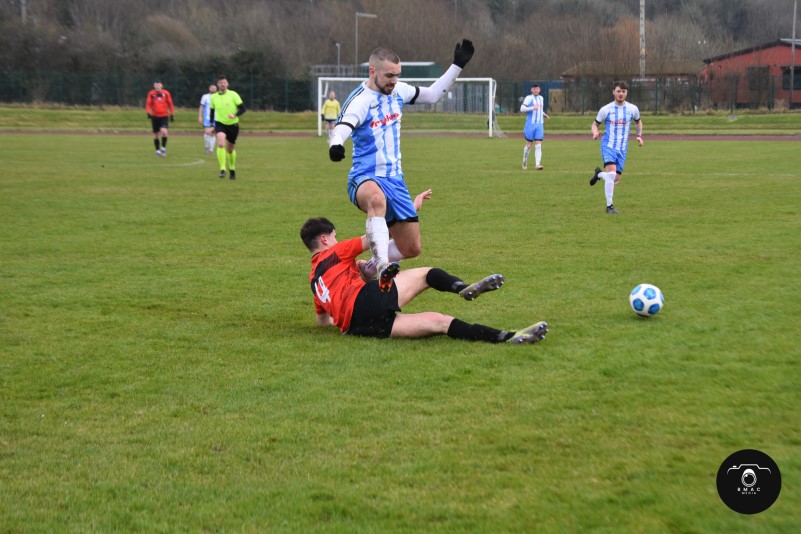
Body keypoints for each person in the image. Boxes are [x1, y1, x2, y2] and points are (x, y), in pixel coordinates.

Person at [328, 39, 475, 289]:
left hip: (395, 180)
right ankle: (384, 265)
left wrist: (457, 65)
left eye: (397, 75)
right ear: (372, 71)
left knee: (412, 247)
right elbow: (343, 126)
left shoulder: (398, 91)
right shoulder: (360, 100)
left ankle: (370, 267)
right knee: (376, 200)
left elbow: (432, 95)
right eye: (389, 75)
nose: (393, 80)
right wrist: (335, 144)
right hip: (365, 177)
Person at [300, 216, 548, 344]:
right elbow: (374, 235)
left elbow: (323, 322)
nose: (336, 238)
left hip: (358, 328)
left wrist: (345, 308)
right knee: (426, 273)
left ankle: (510, 337)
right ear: (325, 240)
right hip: (365, 302)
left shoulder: (314, 281)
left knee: (439, 322)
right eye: (334, 235)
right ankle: (462, 288)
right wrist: (408, 211)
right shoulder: (336, 251)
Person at [589, 81, 643, 214]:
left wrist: (639, 135)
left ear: (627, 93)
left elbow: (638, 122)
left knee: (615, 179)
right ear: (613, 92)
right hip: (608, 145)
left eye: (623, 91)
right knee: (612, 174)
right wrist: (595, 133)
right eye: (618, 91)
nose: (621, 94)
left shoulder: (633, 109)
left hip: (622, 148)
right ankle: (609, 206)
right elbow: (595, 124)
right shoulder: (606, 109)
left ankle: (599, 174)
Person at [210, 75, 245, 180]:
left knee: (230, 150)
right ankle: (222, 169)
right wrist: (212, 125)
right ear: (218, 84)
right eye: (220, 82)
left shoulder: (233, 94)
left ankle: (232, 168)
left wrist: (234, 115)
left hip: (233, 125)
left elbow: (243, 109)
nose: (222, 84)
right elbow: (212, 112)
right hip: (220, 124)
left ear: (227, 84)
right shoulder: (214, 97)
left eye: (224, 82)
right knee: (220, 143)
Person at [520, 83, 549, 170]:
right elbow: (522, 109)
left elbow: (539, 109)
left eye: (537, 89)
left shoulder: (541, 98)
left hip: (539, 125)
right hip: (530, 125)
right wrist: (532, 108)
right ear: (531, 90)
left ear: (539, 90)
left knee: (538, 145)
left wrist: (543, 114)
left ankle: (537, 164)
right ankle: (524, 160)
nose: (536, 90)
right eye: (534, 89)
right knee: (529, 145)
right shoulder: (529, 98)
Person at [145, 81, 174, 157]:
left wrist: (172, 114)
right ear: (154, 86)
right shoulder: (151, 93)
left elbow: (170, 104)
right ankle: (157, 150)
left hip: (164, 116)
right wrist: (148, 113)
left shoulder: (166, 93)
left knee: (164, 132)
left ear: (161, 86)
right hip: (155, 116)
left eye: (158, 85)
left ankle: (163, 149)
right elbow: (148, 103)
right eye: (155, 85)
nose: (157, 86)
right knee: (156, 134)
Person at [198, 84, 217, 154]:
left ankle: (211, 149)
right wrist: (200, 116)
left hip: (216, 118)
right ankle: (206, 146)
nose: (213, 89)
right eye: (211, 88)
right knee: (206, 132)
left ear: (216, 89)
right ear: (209, 88)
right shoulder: (205, 96)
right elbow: (201, 107)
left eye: (214, 88)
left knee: (213, 133)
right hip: (207, 118)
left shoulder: (218, 97)